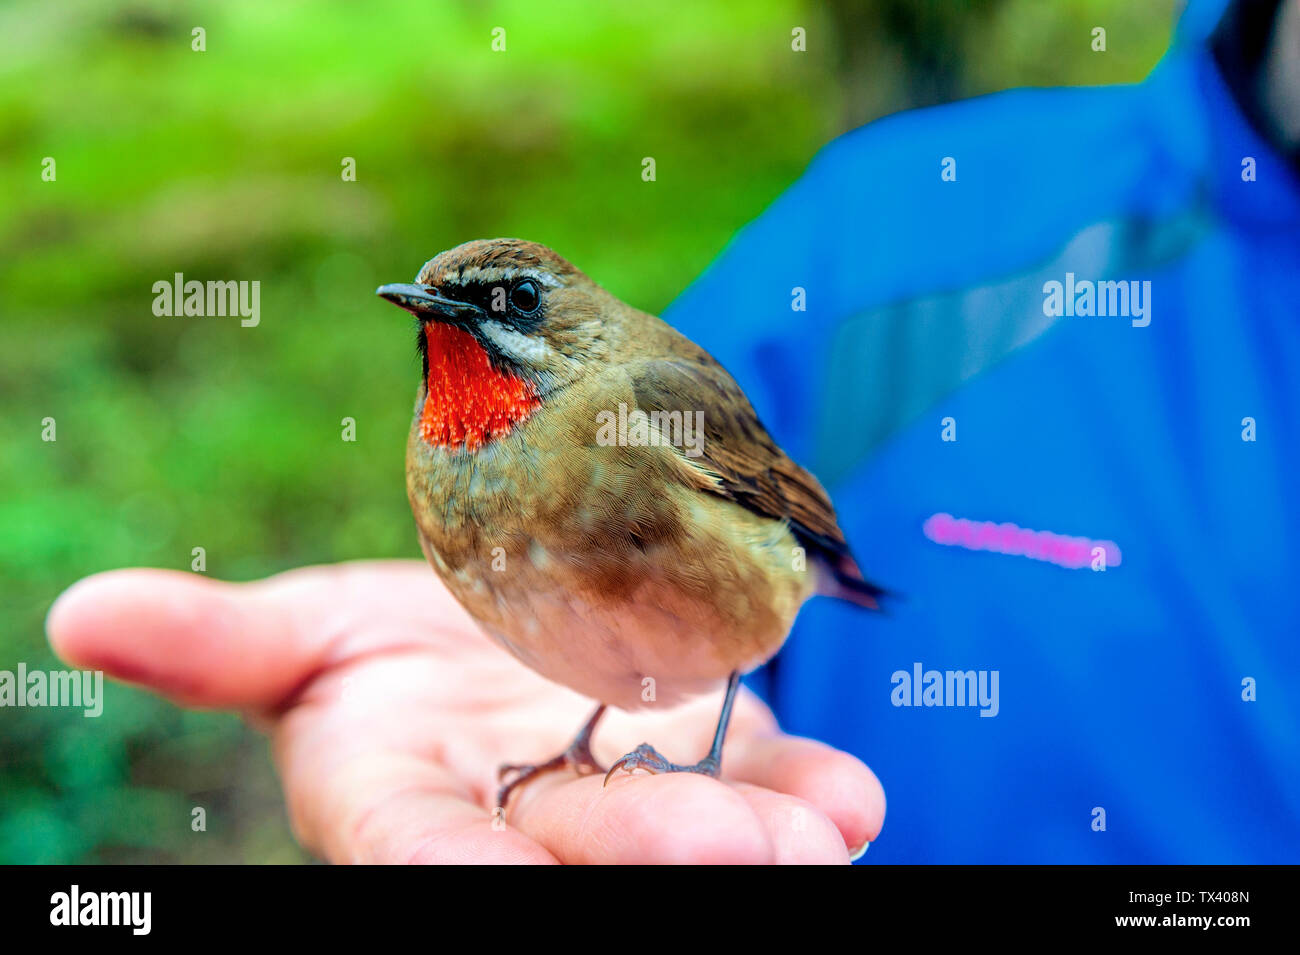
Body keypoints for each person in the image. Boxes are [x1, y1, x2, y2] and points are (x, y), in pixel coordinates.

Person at [47, 0, 1298, 863]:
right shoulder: (881, 239)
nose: (473, 330)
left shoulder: (645, 401)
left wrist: (701, 749)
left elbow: (776, 516)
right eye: (448, 314)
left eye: (511, 310)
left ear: (568, 321)